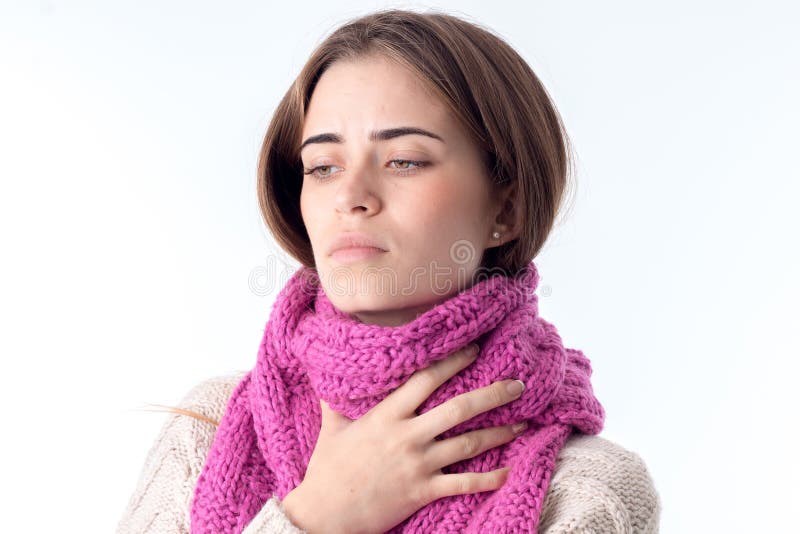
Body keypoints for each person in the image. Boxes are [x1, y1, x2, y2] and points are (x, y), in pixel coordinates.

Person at [117, 8, 661, 533]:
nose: (350, 196)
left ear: (506, 209)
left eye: (404, 160)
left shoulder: (589, 490)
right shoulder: (208, 430)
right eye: (323, 167)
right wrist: (317, 519)